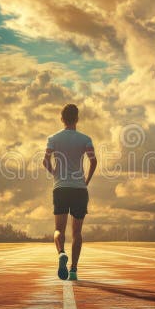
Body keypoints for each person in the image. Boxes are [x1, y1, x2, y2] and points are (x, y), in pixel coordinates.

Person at [43, 104, 96, 281]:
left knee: (58, 230)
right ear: (77, 118)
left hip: (61, 188)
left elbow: (45, 160)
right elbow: (93, 161)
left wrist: (54, 173)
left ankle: (61, 254)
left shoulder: (53, 138)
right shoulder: (85, 139)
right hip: (79, 189)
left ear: (62, 119)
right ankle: (73, 269)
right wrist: (86, 181)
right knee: (77, 233)